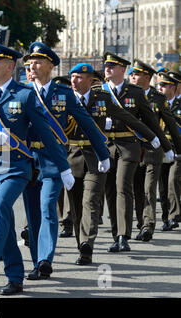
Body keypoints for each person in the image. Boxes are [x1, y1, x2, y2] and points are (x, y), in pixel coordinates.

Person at [0, 41, 74, 296]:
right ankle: (15, 277)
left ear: (10, 66)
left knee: (0, 208)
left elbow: (46, 133)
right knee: (5, 221)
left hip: (16, 166)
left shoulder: (24, 94)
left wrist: (63, 167)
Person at [22, 43, 110, 280]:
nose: (32, 65)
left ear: (50, 66)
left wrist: (103, 152)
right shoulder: (21, 91)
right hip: (27, 160)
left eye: (38, 61)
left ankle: (44, 260)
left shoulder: (63, 94)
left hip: (54, 160)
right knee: (33, 214)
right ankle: (35, 261)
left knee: (48, 207)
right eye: (31, 61)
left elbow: (86, 123)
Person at [68, 62, 159, 265]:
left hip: (97, 157)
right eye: (72, 77)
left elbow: (127, 117)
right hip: (72, 157)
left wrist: (151, 137)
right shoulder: (63, 99)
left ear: (91, 80)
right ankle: (80, 241)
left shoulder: (102, 98)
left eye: (80, 77)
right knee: (76, 206)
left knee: (91, 200)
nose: (74, 81)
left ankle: (87, 246)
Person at [101, 52, 173, 253]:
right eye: (106, 66)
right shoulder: (99, 90)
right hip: (105, 147)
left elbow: (151, 122)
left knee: (123, 186)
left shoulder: (135, 92)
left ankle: (124, 236)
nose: (108, 69)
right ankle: (117, 234)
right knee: (111, 191)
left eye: (113, 66)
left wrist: (165, 147)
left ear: (122, 70)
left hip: (128, 146)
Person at [129, 62, 181, 240]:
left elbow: (171, 125)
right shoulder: (127, 94)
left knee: (149, 188)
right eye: (132, 74)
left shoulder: (157, 98)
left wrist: (176, 149)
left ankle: (148, 225)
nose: (133, 76)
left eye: (137, 74)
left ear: (146, 77)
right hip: (132, 150)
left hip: (153, 150)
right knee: (136, 189)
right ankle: (140, 220)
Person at [158, 72, 181, 231]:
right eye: (159, 85)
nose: (160, 87)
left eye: (164, 85)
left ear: (172, 88)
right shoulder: (155, 104)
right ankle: (165, 218)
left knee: (172, 180)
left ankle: (174, 216)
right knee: (162, 185)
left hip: (178, 149)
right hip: (161, 149)